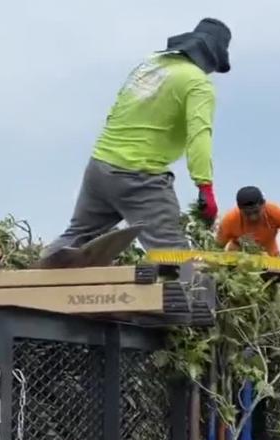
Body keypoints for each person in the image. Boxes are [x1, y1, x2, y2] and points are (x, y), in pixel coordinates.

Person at [41, 19, 231, 265]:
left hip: (100, 166)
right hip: (140, 176)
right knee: (175, 259)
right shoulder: (197, 82)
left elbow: (117, 107)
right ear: (212, 57)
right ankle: (189, 302)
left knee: (76, 237)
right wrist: (205, 187)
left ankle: (24, 280)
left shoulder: (151, 64)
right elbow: (200, 136)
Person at [217, 187, 280, 260]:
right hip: (238, 262)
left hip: (270, 260)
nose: (253, 217)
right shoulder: (229, 221)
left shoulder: (276, 213)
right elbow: (216, 249)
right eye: (248, 214)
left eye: (256, 212)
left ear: (263, 204)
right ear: (240, 209)